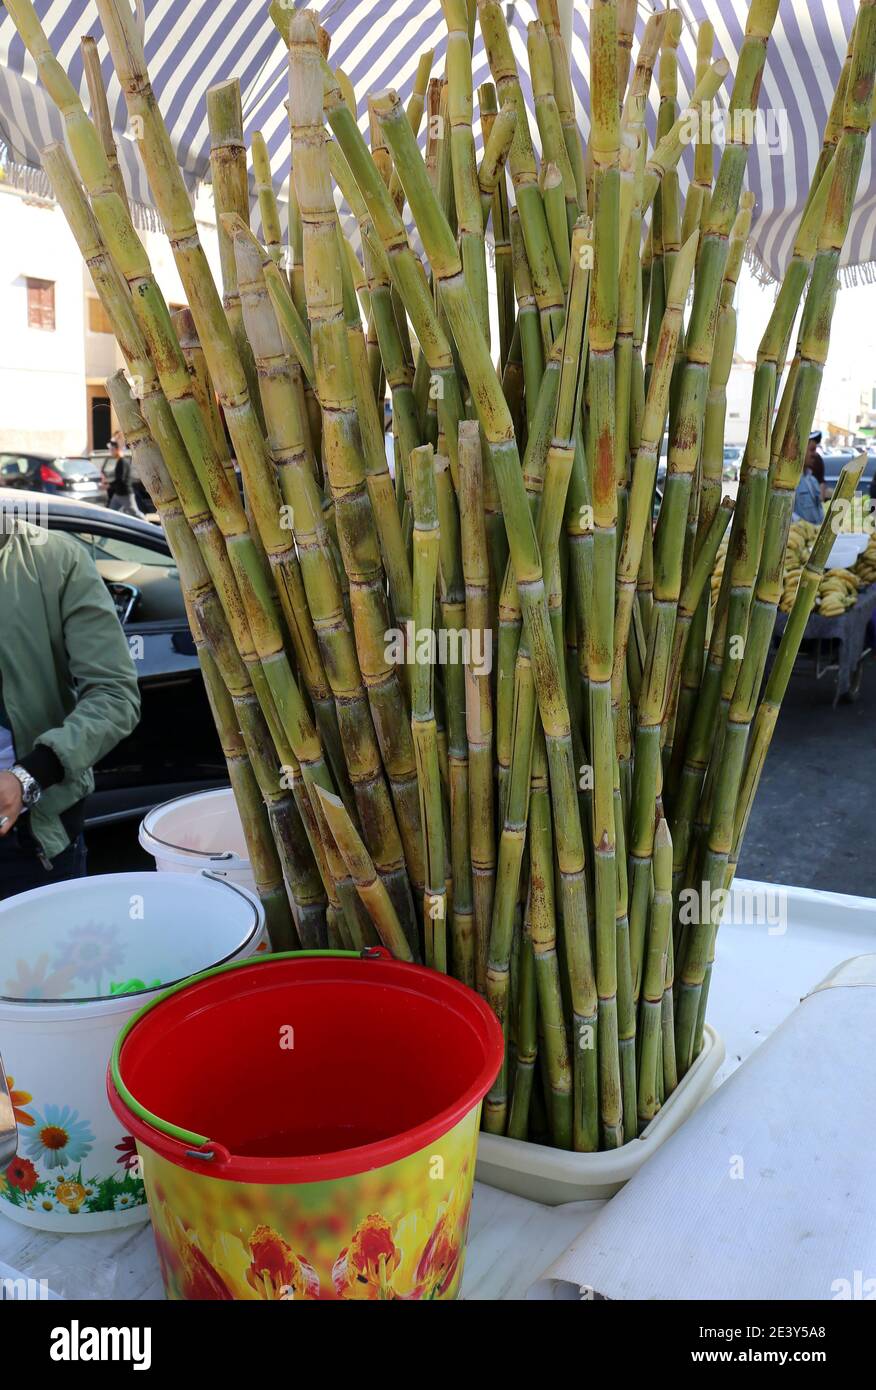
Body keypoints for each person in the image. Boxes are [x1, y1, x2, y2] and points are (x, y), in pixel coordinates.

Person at [0, 508, 141, 898]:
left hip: (30, 840)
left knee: (40, 959)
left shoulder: (56, 560)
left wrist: (27, 777)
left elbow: (114, 694)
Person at [793, 431, 825, 524]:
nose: (815, 454)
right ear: (800, 450)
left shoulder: (813, 481)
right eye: (812, 449)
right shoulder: (788, 484)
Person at [107, 435, 142, 517]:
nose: (110, 452)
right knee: (110, 513)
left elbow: (120, 479)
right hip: (118, 494)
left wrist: (109, 485)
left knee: (135, 513)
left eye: (111, 450)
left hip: (125, 494)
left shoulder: (122, 462)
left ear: (116, 449)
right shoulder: (120, 461)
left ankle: (149, 526)